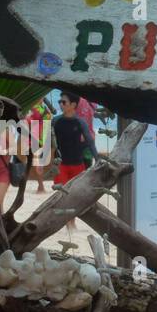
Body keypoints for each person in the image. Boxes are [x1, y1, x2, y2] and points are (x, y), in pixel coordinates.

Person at [50, 91, 98, 232]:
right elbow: (50, 144)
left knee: (74, 196)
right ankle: (68, 223)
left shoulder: (80, 122)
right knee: (62, 196)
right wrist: (42, 162)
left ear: (73, 105)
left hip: (78, 165)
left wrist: (98, 158)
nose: (60, 104)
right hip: (61, 166)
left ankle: (71, 222)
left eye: (63, 102)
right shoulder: (55, 121)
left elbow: (89, 141)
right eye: (59, 102)